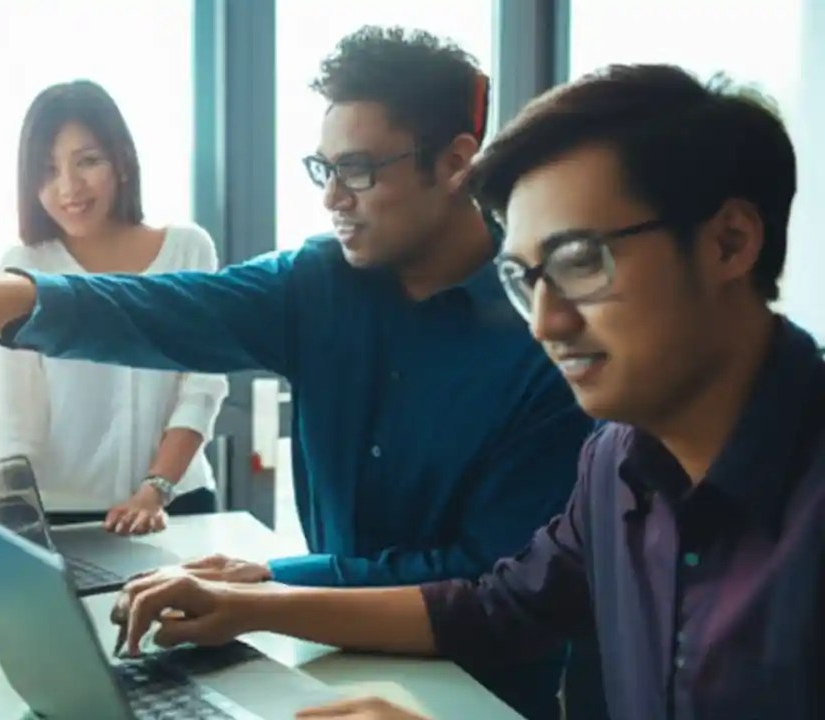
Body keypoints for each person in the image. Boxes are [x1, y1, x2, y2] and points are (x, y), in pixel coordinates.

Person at [0, 28, 592, 718]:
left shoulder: (543, 340)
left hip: (475, 699)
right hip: (333, 670)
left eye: (358, 171)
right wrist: (15, 301)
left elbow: (487, 586)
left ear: (457, 161)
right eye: (325, 169)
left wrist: (272, 589)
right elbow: (175, 309)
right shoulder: (322, 282)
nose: (332, 197)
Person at [93, 64, 819, 720]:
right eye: (524, 277)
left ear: (729, 243)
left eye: (580, 262)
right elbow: (494, 607)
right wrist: (252, 602)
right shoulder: (616, 463)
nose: (546, 322)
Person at [0, 79, 228, 533]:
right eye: (48, 170)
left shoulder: (187, 250)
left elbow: (201, 388)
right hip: (61, 516)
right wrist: (10, 519)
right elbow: (12, 424)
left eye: (88, 161)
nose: (69, 188)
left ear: (121, 162)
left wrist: (154, 491)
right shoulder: (21, 269)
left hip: (178, 501)